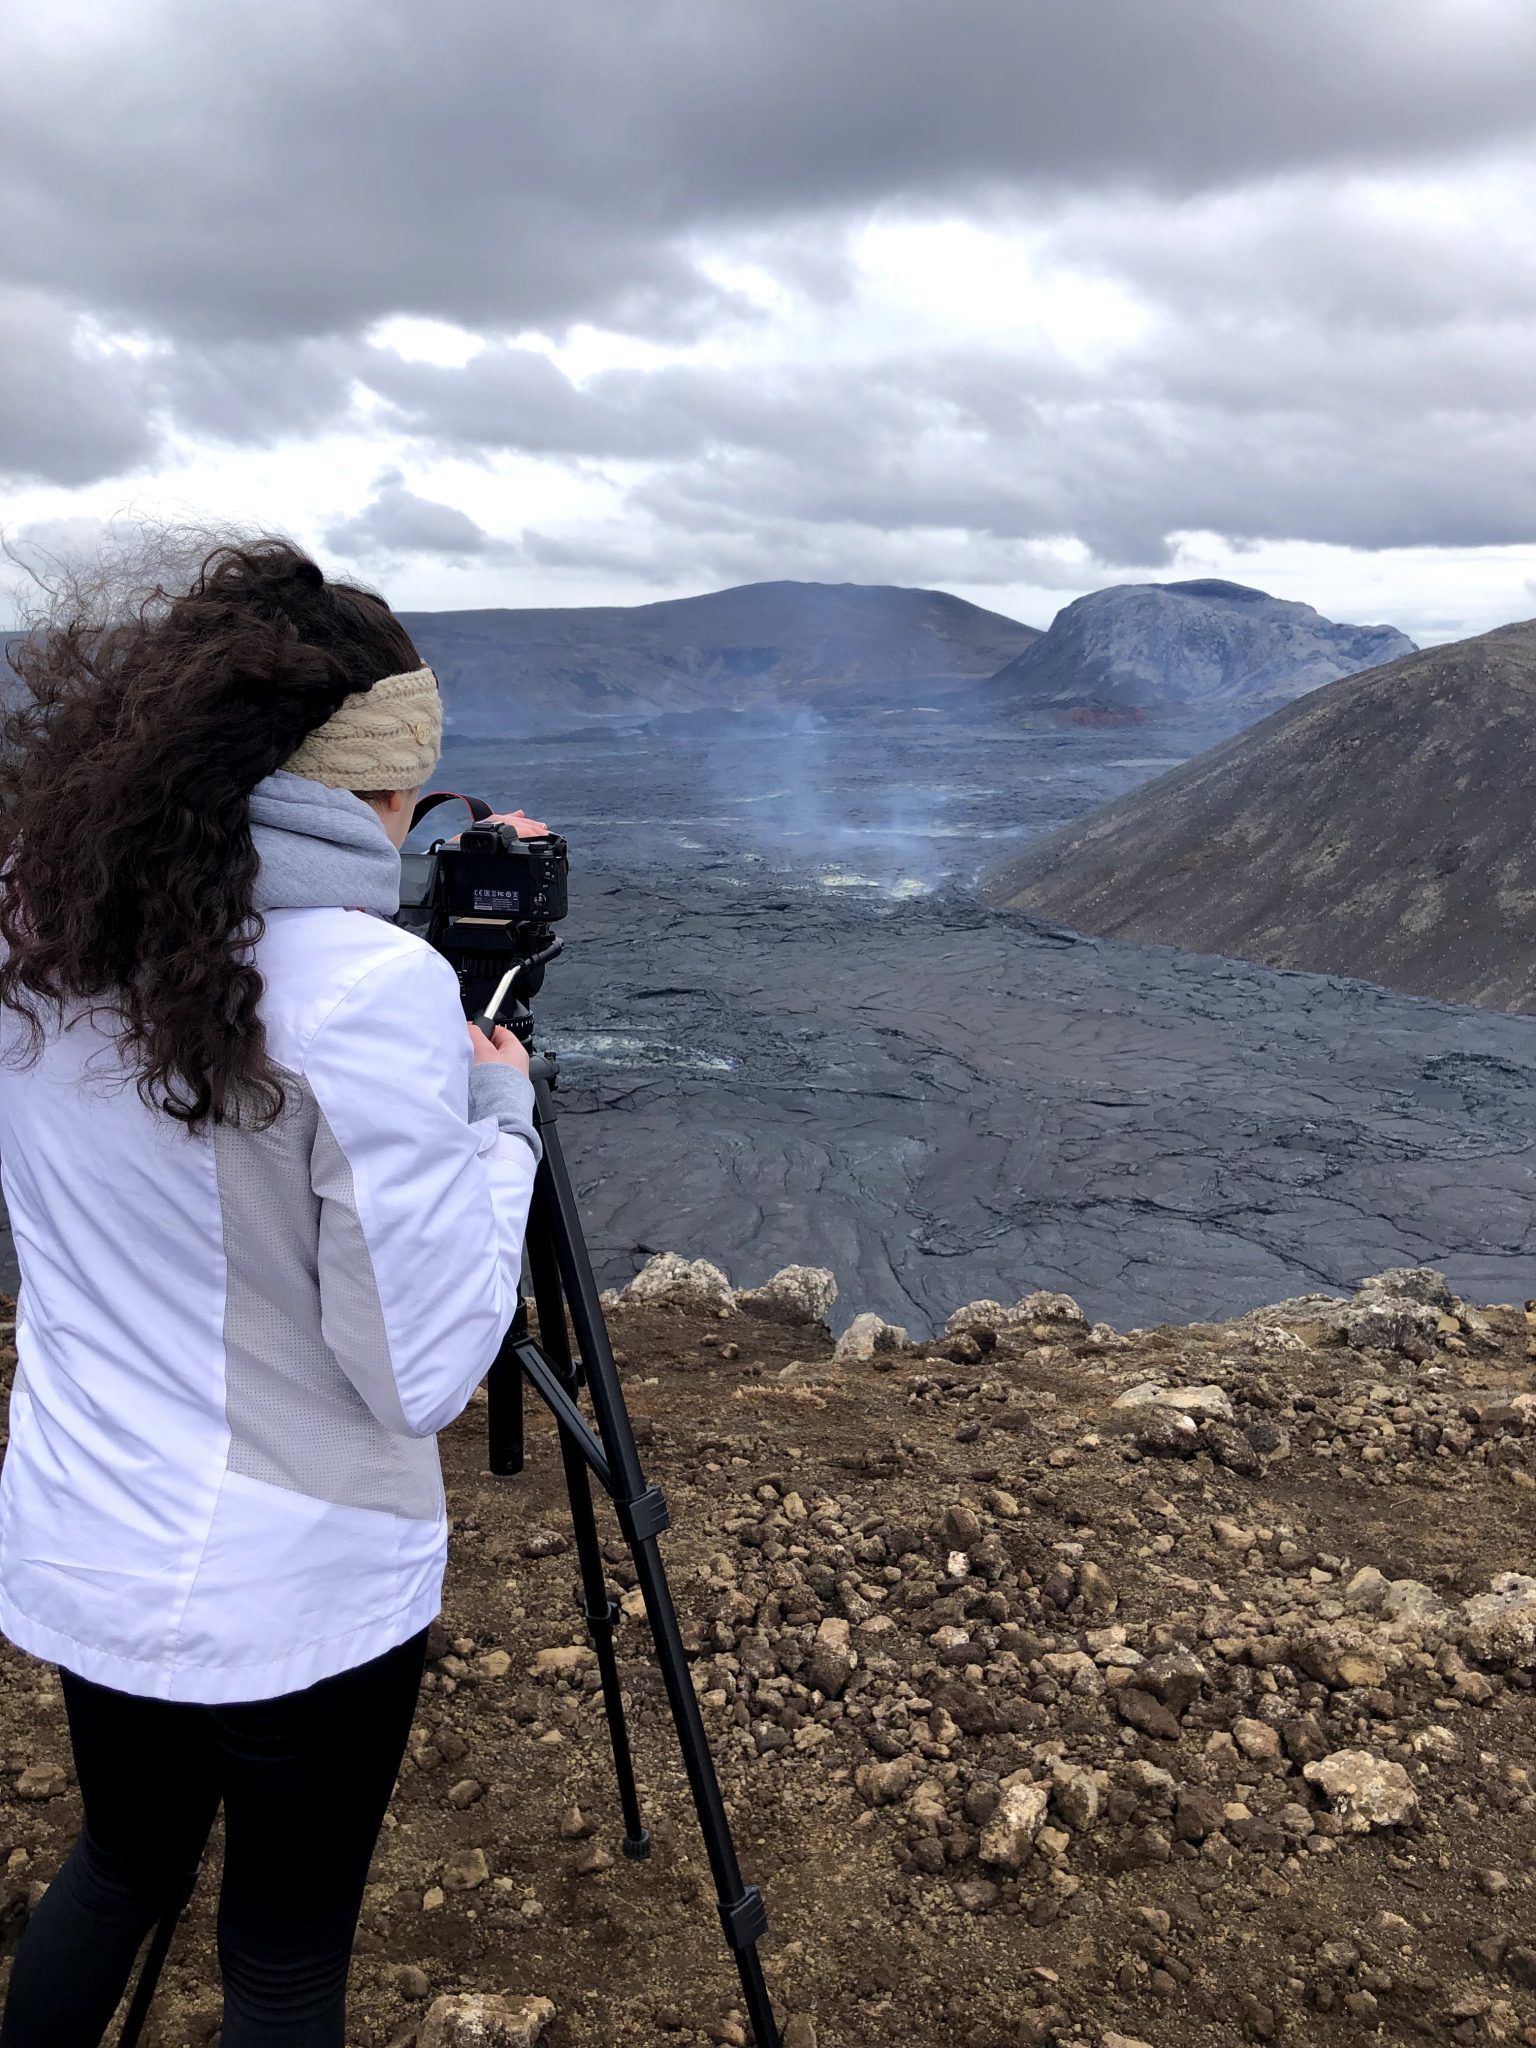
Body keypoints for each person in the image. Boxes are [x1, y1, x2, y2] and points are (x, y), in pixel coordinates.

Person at [0, 539, 543, 2046]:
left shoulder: (34, 928)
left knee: (116, 1866)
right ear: (373, 793)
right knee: (285, 1957)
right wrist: (497, 1125)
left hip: (92, 1542)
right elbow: (424, 1369)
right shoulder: (363, 993)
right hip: (300, 1588)